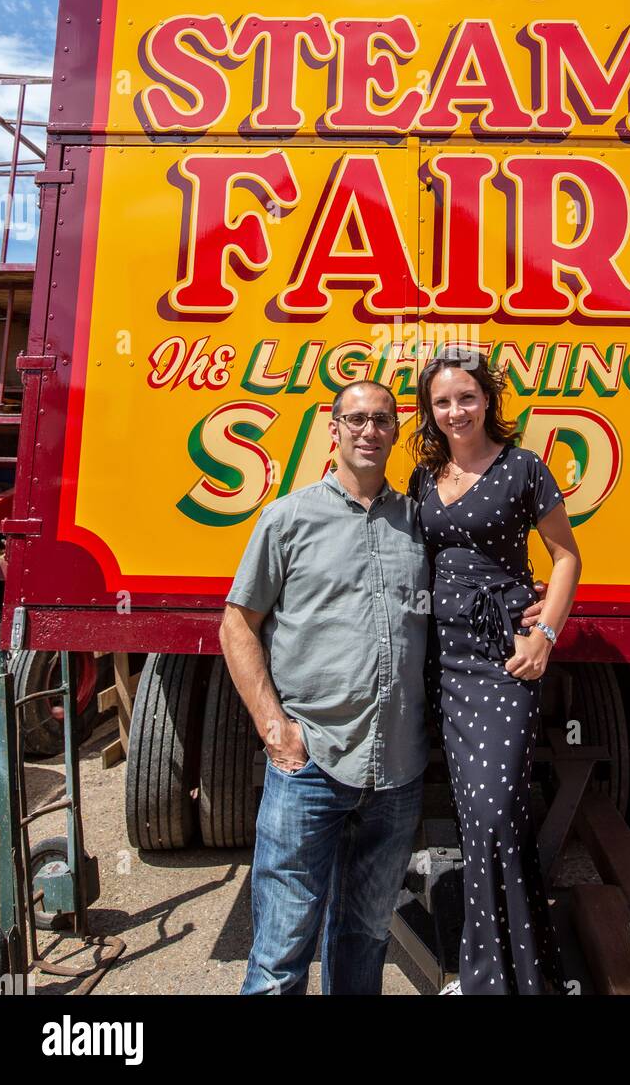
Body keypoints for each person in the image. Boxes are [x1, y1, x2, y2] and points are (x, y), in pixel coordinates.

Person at [220, 379, 431, 995]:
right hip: (308, 763)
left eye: (383, 420)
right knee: (282, 949)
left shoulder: (419, 524)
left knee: (364, 938)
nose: (370, 430)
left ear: (396, 433)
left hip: (397, 770)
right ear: (333, 430)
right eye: (356, 419)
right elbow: (237, 622)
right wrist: (274, 728)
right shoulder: (287, 518)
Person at [407, 349, 582, 996]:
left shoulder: (523, 470)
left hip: (501, 658)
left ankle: (494, 977)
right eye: (443, 401)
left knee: (496, 811)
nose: (456, 411)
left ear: (489, 402)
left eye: (467, 398)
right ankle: (521, 968)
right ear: (431, 411)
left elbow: (566, 557)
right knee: (477, 814)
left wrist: (546, 632)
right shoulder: (426, 477)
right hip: (442, 662)